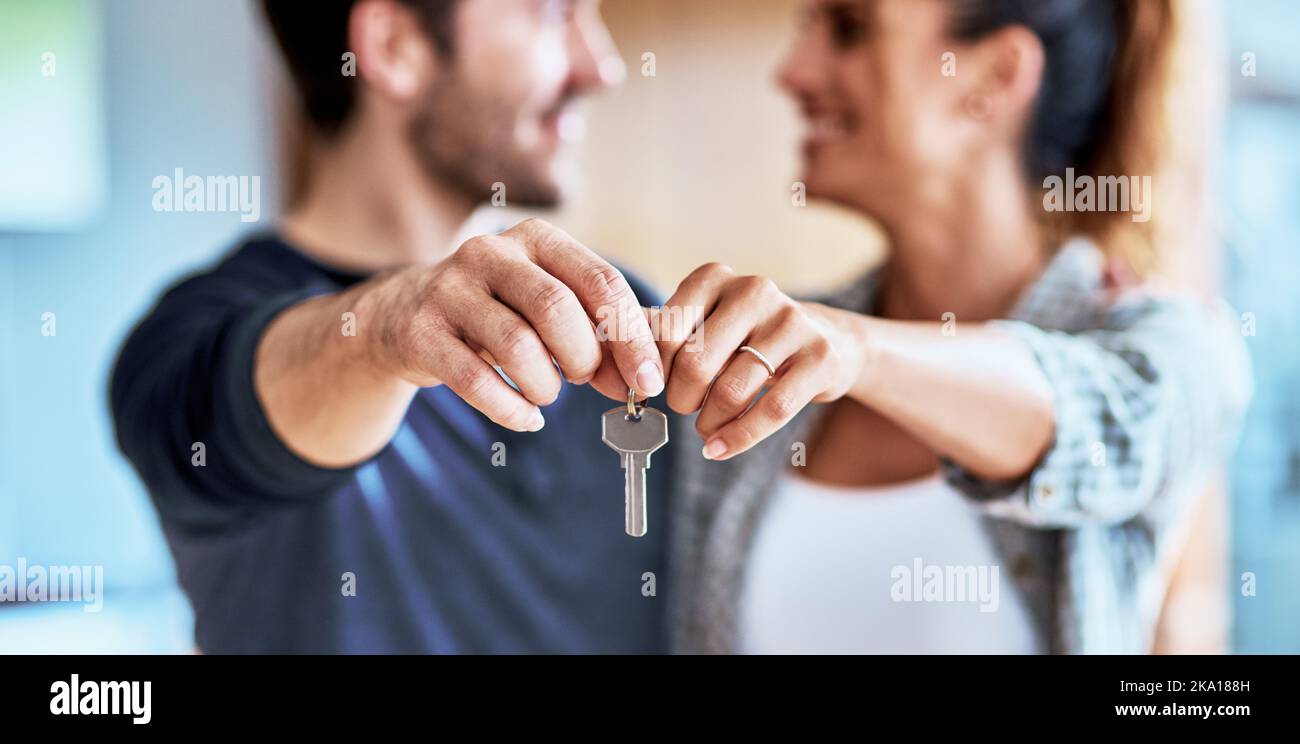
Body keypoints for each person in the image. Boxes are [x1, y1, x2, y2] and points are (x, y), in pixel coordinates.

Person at [657, 0, 1251, 653]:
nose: (793, 73)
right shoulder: (757, 368)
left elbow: (1095, 420)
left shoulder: (1171, 349)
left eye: (850, 30)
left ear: (996, 77)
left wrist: (857, 351)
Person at [110, 0, 677, 652]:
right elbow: (238, 410)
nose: (601, 68)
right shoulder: (184, 343)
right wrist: (386, 330)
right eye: (553, 14)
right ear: (394, 46)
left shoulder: (617, 308)